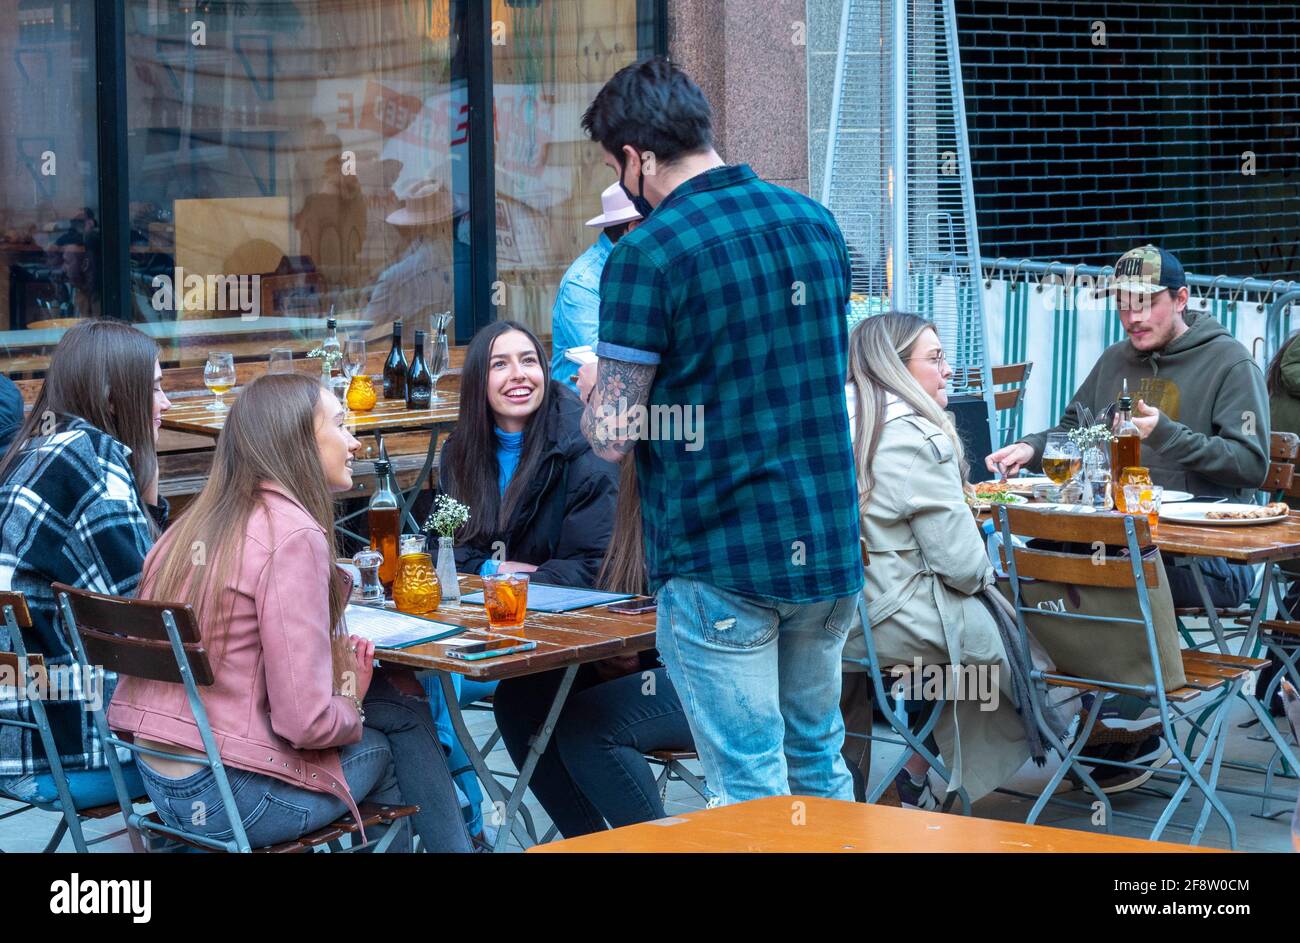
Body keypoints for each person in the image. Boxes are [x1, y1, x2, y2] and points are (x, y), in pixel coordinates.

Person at [575, 57, 862, 805]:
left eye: (615, 166)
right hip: (827, 548)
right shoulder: (815, 223)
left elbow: (610, 433)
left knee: (751, 793)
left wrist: (590, 388)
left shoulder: (648, 252)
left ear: (636, 159)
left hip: (720, 559)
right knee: (819, 765)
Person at [109, 374, 471, 852]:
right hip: (234, 800)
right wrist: (351, 701)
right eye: (341, 425)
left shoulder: (188, 527)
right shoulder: (292, 535)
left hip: (161, 782)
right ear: (301, 441)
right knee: (391, 745)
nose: (354, 442)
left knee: (399, 704)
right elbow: (305, 724)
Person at [987, 244, 1270, 610]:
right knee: (1017, 565)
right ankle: (1065, 666)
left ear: (1181, 298)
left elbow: (1251, 465)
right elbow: (1076, 429)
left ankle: (1107, 666)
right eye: (1123, 304)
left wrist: (1167, 434)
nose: (1132, 317)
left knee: (1081, 573)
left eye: (1146, 303)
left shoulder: (1231, 363)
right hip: (1113, 539)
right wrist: (1031, 448)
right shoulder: (1114, 359)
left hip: (1205, 558)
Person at [843, 313, 1039, 806]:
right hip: (895, 620)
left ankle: (905, 778)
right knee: (1032, 634)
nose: (948, 369)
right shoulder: (914, 437)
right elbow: (965, 568)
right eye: (935, 358)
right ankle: (1084, 726)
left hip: (837, 618)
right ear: (897, 368)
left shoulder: (834, 421)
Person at [0, 320, 171, 810]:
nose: (165, 404)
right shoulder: (91, 461)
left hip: (24, 742)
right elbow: (149, 619)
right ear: (116, 396)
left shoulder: (32, 449)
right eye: (155, 388)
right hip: (74, 757)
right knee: (281, 737)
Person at [491, 455, 695, 837]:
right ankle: (586, 843)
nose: (579, 392)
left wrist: (648, 652)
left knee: (591, 727)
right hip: (650, 657)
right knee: (519, 700)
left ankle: (657, 847)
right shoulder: (614, 467)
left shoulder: (685, 465)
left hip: (718, 671)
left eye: (590, 392)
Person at [438, 320, 617, 586]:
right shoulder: (460, 452)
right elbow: (438, 550)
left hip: (571, 618)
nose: (518, 374)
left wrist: (508, 577)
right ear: (478, 381)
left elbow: (594, 569)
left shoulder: (587, 449)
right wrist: (497, 568)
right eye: (500, 364)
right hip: (486, 611)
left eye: (528, 361)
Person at [549, 183, 642, 391]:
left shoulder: (639, 267)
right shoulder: (581, 283)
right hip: (580, 414)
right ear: (634, 228)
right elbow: (608, 362)